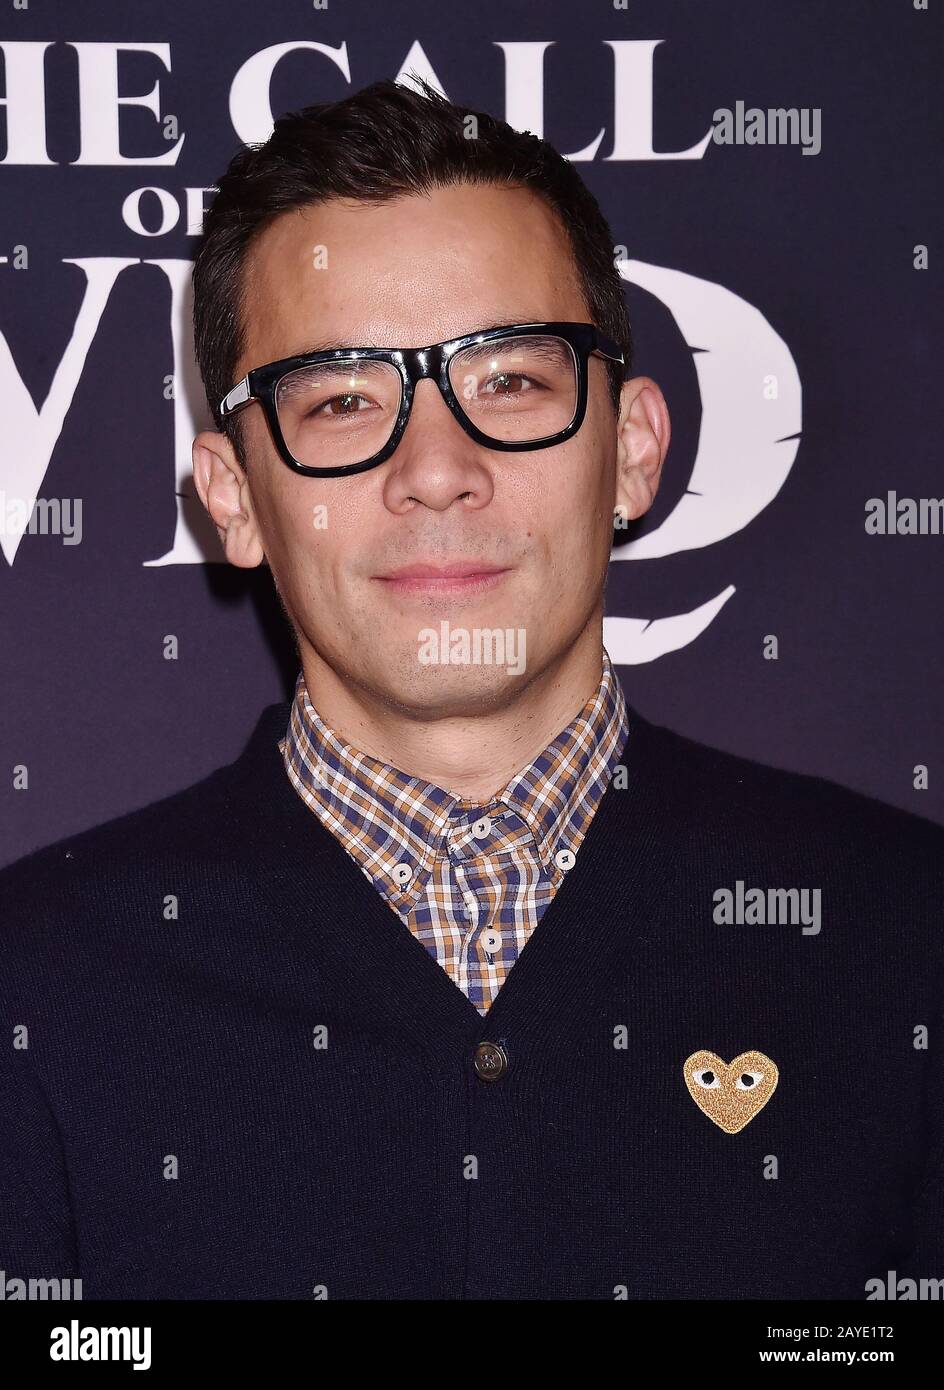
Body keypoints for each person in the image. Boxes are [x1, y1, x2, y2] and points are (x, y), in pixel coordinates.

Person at [0, 79, 941, 1301]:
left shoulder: (902, 938)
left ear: (634, 448)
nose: (434, 471)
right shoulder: (36, 989)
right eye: (341, 399)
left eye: (509, 382)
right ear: (232, 497)